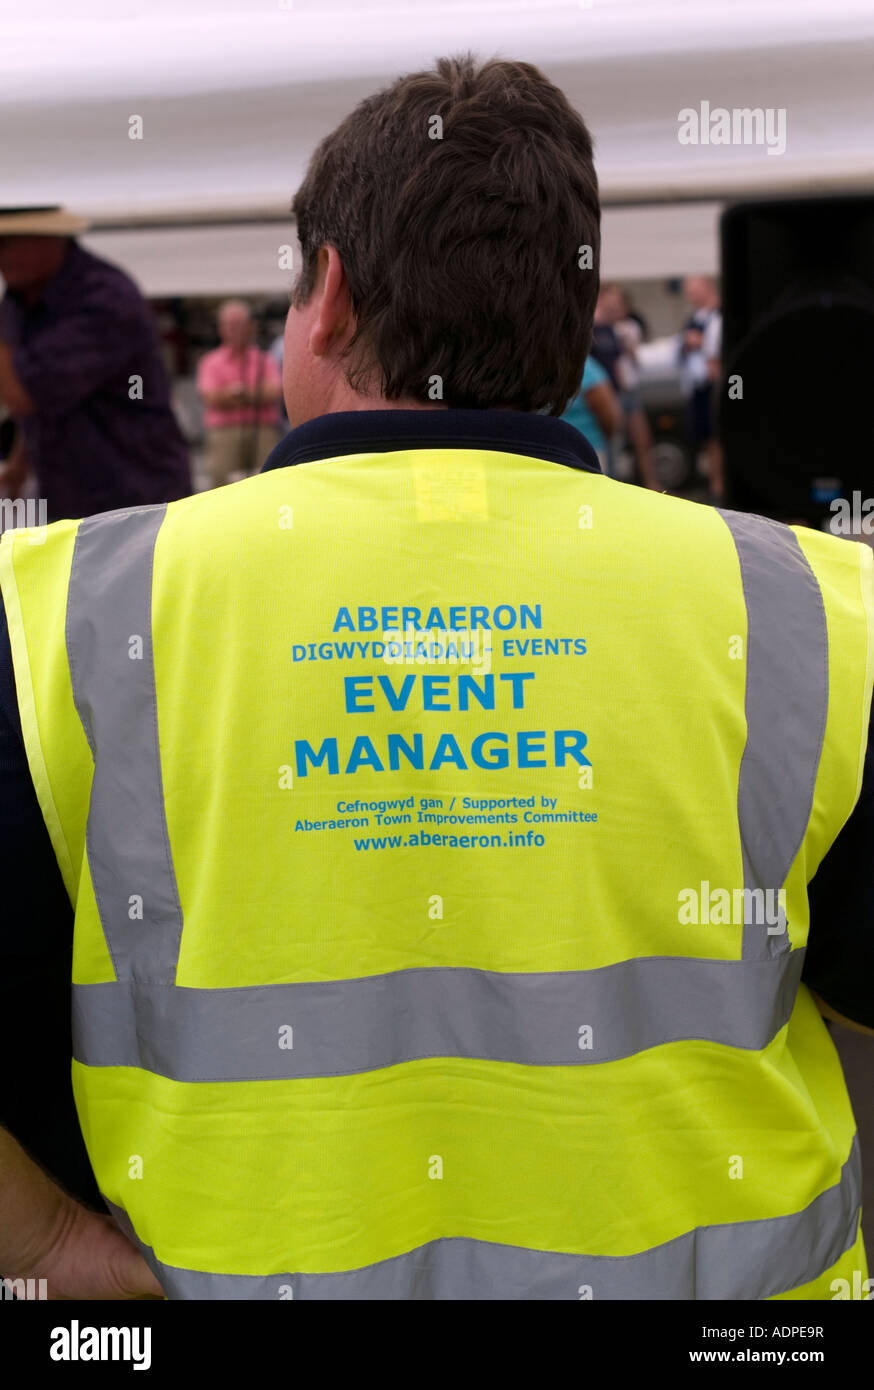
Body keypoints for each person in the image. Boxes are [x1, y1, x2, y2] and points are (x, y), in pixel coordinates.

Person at [0, 55, 872, 1303]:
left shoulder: (59, 616)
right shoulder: (814, 612)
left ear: (331, 297)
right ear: (569, 326)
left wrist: (44, 1251)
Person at [0, 207, 192, 521]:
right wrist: (20, 463)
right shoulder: (23, 298)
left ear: (51, 240)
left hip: (134, 496)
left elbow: (26, 394)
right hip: (78, 495)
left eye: (8, 241)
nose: (1, 254)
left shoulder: (103, 298)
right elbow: (46, 400)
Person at [196, 300, 283, 486]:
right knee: (221, 484)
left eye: (240, 324)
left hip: (262, 429)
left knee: (268, 482)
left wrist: (236, 394)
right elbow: (211, 397)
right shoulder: (210, 362)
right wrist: (252, 395)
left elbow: (274, 391)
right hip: (224, 432)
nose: (236, 330)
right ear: (221, 328)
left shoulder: (264, 359)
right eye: (230, 325)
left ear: (252, 326)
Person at [596, 283, 660, 490]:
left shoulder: (623, 328)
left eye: (619, 301)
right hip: (610, 392)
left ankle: (650, 484)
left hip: (625, 390)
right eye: (612, 300)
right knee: (613, 441)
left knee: (639, 439)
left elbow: (628, 361)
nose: (616, 305)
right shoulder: (599, 328)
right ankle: (611, 484)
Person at [679, 274, 723, 501]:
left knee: (717, 435)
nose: (691, 295)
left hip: (715, 384)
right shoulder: (695, 318)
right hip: (698, 385)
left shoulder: (718, 316)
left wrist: (701, 343)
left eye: (695, 289)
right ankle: (715, 482)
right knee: (707, 436)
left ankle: (719, 485)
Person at [560, 355, 622, 470]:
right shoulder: (584, 366)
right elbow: (610, 415)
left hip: (584, 452)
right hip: (586, 451)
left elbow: (608, 414)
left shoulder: (584, 366)